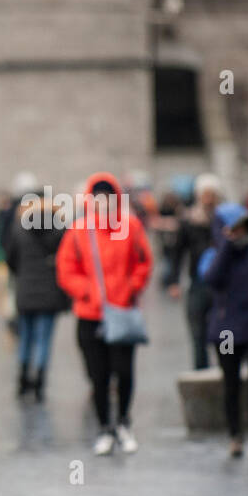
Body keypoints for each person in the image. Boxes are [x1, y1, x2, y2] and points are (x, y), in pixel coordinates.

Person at [56, 171, 153, 456]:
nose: (103, 203)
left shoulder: (131, 227)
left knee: (123, 371)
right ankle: (104, 427)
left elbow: (143, 262)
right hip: (90, 314)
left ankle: (123, 421)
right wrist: (87, 292)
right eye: (98, 198)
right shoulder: (79, 231)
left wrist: (130, 288)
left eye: (108, 198)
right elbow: (66, 269)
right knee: (98, 375)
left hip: (122, 312)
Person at [199, 205, 248, 458]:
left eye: (242, 227)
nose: (238, 233)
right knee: (231, 384)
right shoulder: (213, 254)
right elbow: (210, 278)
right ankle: (235, 436)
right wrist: (227, 248)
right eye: (232, 228)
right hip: (226, 333)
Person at [3, 188, 70, 401]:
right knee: (43, 340)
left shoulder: (19, 227)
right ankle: (39, 383)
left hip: (25, 291)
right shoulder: (60, 228)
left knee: (25, 338)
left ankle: (23, 380)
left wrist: (22, 275)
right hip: (50, 293)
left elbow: (10, 258)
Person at [164, 173, 222, 370]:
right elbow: (177, 252)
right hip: (198, 283)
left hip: (222, 285)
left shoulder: (224, 220)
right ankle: (201, 372)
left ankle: (229, 369)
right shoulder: (189, 221)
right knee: (198, 334)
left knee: (225, 333)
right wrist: (173, 281)